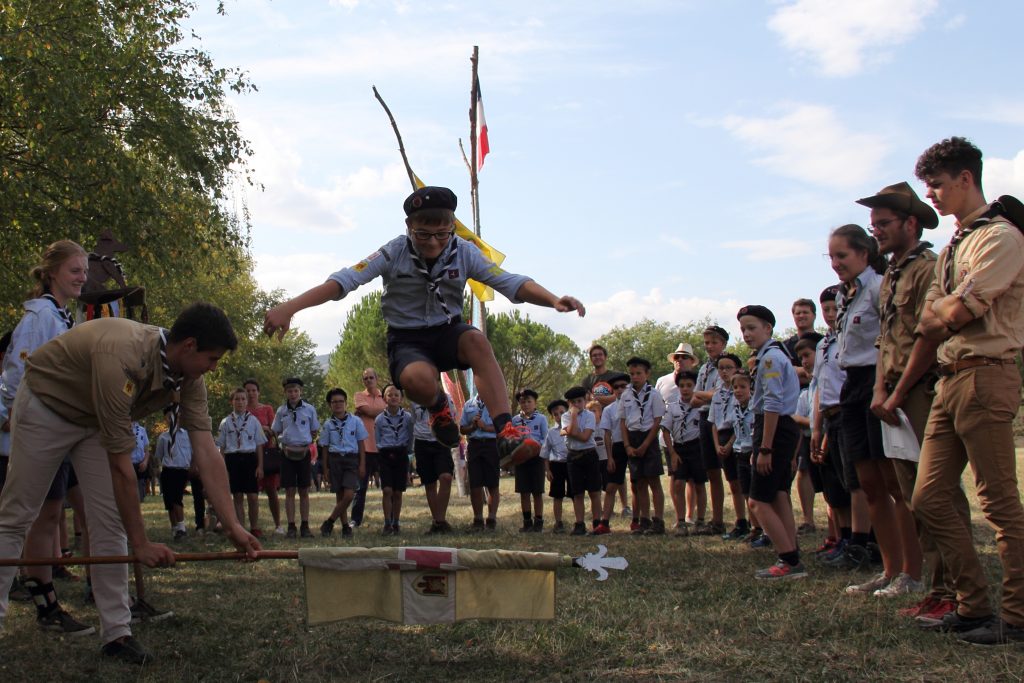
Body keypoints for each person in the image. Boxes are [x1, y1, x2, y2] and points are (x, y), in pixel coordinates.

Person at [0, 302, 261, 664]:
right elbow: (123, 467)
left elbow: (206, 450)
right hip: (48, 405)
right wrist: (141, 544)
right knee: (17, 513)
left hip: (93, 419)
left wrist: (232, 526)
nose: (213, 368)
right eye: (212, 358)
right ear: (189, 346)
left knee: (108, 523)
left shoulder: (190, 380)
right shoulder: (122, 355)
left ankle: (117, 635)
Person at [263, 186, 585, 471]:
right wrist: (290, 307)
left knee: (477, 341)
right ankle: (437, 406)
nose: (433, 243)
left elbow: (510, 282)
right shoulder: (394, 251)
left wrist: (553, 300)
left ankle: (506, 434)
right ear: (409, 227)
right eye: (423, 234)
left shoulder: (464, 251)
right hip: (408, 339)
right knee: (416, 380)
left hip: (448, 331)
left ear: (452, 228)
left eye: (442, 234)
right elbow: (343, 281)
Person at [911, 137, 1024, 645]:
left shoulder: (1000, 238)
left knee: (998, 504)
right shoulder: (954, 246)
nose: (931, 194)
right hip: (950, 379)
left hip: (987, 372)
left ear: (966, 179)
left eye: (936, 184)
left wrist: (946, 308)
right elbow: (928, 318)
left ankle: (1018, 617)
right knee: (929, 497)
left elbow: (952, 314)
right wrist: (945, 308)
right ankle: (974, 605)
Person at [859, 180, 970, 606]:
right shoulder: (892, 275)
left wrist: (898, 391)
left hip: (921, 391)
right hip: (894, 398)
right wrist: (880, 389)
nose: (877, 233)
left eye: (883, 223)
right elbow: (886, 339)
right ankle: (937, 587)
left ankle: (957, 588)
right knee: (910, 495)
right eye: (873, 226)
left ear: (910, 223)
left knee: (937, 494)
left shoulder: (928, 267)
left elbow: (928, 336)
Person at [0, 239, 93, 636]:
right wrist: (12, 418)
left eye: (84, 272)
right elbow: (17, 375)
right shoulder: (38, 318)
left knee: (50, 514)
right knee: (18, 517)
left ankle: (45, 601)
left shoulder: (63, 316)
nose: (82, 278)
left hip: (59, 428)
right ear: (53, 272)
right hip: (35, 429)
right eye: (75, 270)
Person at [828, 224, 922, 597]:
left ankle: (911, 572)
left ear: (864, 254)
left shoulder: (880, 287)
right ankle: (888, 569)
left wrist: (887, 390)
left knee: (894, 481)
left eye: (842, 255)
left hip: (876, 381)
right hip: (851, 387)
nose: (836, 264)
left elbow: (894, 340)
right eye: (831, 257)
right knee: (868, 485)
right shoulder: (844, 294)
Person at [737, 305, 803, 580]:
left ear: (768, 328)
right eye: (743, 329)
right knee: (777, 495)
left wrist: (764, 447)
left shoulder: (769, 360)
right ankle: (793, 553)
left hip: (774, 427)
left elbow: (773, 402)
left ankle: (787, 560)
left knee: (757, 501)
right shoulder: (770, 356)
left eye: (752, 327)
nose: (747, 334)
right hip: (779, 426)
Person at [620, 356, 666, 535]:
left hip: (649, 438)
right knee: (639, 482)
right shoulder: (626, 395)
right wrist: (627, 446)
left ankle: (659, 520)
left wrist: (646, 444)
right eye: (632, 374)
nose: (635, 377)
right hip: (632, 438)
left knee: (654, 480)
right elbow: (622, 422)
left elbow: (657, 420)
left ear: (647, 374)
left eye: (639, 373)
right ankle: (644, 520)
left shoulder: (654, 394)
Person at [692, 325, 729, 536]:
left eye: (714, 342)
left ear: (723, 343)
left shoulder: (726, 365)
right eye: (707, 343)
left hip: (723, 419)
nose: (710, 346)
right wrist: (707, 394)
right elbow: (695, 398)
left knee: (732, 474)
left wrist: (705, 395)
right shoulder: (705, 368)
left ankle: (745, 520)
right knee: (712, 472)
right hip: (704, 418)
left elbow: (721, 392)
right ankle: (717, 520)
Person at [215, 387, 267, 537]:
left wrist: (260, 466)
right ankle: (241, 528)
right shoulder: (225, 422)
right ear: (232, 401)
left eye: (243, 399)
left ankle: (255, 526)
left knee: (253, 496)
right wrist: (223, 468)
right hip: (233, 459)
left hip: (249, 459)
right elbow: (222, 447)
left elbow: (259, 445)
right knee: (237, 496)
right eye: (237, 399)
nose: (240, 402)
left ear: (247, 401)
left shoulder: (253, 421)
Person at [272, 377, 320, 539]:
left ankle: (305, 525)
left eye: (296, 391)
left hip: (303, 452)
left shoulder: (309, 409)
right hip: (286, 454)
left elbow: (314, 431)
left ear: (300, 391)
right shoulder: (281, 411)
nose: (293, 394)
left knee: (304, 489)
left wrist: (306, 445)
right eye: (289, 391)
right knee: (290, 490)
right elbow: (276, 431)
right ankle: (291, 526)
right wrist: (283, 445)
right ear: (285, 392)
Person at [708, 353, 748, 540]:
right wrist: (717, 445)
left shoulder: (741, 392)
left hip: (738, 436)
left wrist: (731, 443)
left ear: (737, 369)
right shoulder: (717, 394)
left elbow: (741, 419)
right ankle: (740, 521)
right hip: (721, 438)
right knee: (732, 482)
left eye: (728, 367)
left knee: (743, 483)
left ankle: (753, 523)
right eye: (721, 368)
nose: (724, 372)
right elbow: (714, 422)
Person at [318, 388, 367, 538]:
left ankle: (330, 521)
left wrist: (362, 464)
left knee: (349, 494)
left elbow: (361, 444)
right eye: (334, 402)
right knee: (340, 496)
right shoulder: (327, 424)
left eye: (341, 401)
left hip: (351, 459)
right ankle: (345, 527)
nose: (338, 404)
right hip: (335, 460)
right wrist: (325, 467)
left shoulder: (356, 421)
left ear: (346, 403)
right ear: (329, 405)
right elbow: (325, 447)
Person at [661, 371, 705, 537]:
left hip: (696, 447)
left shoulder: (700, 406)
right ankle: (680, 521)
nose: (685, 389)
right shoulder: (672, 407)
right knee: (678, 483)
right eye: (682, 386)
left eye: (689, 386)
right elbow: (665, 430)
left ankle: (700, 521)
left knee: (699, 484)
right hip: (679, 448)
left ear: (695, 386)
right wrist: (672, 453)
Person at [792, 333, 824, 535]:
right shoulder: (808, 389)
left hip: (825, 438)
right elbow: (795, 416)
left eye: (807, 355)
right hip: (810, 439)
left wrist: (814, 425)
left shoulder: (823, 383)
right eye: (801, 358)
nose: (804, 361)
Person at [244, 379, 284, 535]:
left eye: (254, 390)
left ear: (258, 392)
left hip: (267, 454)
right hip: (248, 455)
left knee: (271, 490)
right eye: (248, 390)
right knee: (251, 493)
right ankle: (254, 526)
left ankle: (278, 525)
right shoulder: (242, 410)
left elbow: (274, 430)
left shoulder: (267, 409)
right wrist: (261, 428)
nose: (251, 393)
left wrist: (266, 429)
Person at [561, 386, 603, 536]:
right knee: (577, 493)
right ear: (569, 403)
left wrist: (569, 431)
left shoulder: (590, 415)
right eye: (573, 402)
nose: (577, 405)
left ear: (585, 400)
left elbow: (585, 436)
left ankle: (597, 523)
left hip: (589, 455)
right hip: (573, 456)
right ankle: (579, 524)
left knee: (594, 491)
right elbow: (572, 431)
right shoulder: (565, 416)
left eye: (579, 401)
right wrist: (573, 417)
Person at [412, 394, 456, 534]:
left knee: (446, 477)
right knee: (430, 483)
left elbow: (453, 417)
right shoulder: (414, 398)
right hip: (422, 442)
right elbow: (414, 420)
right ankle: (438, 522)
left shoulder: (445, 398)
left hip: (440, 441)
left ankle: (440, 519)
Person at [594, 372, 631, 535]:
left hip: (635, 444)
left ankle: (638, 520)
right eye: (616, 387)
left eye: (624, 386)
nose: (620, 389)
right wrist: (609, 457)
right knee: (611, 487)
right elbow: (607, 434)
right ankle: (604, 523)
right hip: (617, 447)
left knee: (638, 484)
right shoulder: (609, 410)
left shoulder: (635, 405)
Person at [374, 384, 413, 535]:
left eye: (396, 394)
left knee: (398, 492)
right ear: (384, 398)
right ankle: (387, 523)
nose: (393, 397)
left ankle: (396, 522)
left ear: (401, 398)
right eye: (389, 395)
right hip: (385, 454)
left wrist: (408, 453)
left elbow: (410, 437)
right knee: (387, 490)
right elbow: (378, 439)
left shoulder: (408, 418)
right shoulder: (379, 420)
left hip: (401, 454)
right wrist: (382, 451)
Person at [726, 371, 757, 544]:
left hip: (752, 452)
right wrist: (729, 445)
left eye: (742, 387)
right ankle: (754, 527)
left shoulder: (755, 407)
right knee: (746, 492)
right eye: (735, 387)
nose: (738, 391)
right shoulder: (735, 407)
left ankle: (762, 528)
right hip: (740, 454)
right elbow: (735, 432)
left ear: (750, 388)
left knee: (756, 494)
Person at [460, 394, 500, 531]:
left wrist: (485, 427)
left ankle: (491, 519)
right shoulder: (468, 404)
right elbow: (462, 428)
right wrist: (472, 426)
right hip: (475, 445)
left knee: (492, 484)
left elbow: (503, 427)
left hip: (491, 445)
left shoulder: (496, 402)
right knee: (475, 485)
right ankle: (478, 520)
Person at [351, 368, 385, 528]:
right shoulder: (359, 396)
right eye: (365, 378)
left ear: (377, 379)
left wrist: (372, 412)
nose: (368, 380)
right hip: (363, 448)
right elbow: (370, 412)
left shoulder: (385, 396)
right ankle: (355, 520)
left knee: (388, 487)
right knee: (360, 487)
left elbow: (371, 412)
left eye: (371, 377)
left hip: (384, 447)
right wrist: (387, 409)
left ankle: (390, 520)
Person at [512, 389, 548, 532]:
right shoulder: (515, 420)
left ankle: (538, 521)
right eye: (522, 402)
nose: (526, 404)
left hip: (536, 458)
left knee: (537, 491)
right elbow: (512, 439)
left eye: (529, 401)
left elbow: (545, 438)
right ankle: (527, 522)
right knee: (524, 491)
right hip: (521, 460)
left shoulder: (541, 419)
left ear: (535, 403)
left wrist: (538, 449)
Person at [156, 423, 194, 539]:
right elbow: (159, 455)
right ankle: (174, 527)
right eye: (169, 416)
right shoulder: (163, 437)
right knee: (169, 500)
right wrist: (158, 470)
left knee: (177, 498)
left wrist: (193, 467)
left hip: (181, 470)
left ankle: (181, 528)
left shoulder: (187, 435)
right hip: (168, 470)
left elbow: (193, 453)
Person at [541, 399, 571, 533]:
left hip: (572, 463)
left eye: (562, 412)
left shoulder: (574, 428)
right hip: (557, 465)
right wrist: (547, 470)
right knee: (557, 495)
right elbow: (545, 452)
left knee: (575, 494)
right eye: (556, 414)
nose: (559, 416)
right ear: (552, 416)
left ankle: (579, 521)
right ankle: (558, 522)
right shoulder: (551, 432)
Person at [784, 299, 818, 373]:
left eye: (805, 312)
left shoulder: (824, 342)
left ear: (814, 316)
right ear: (793, 316)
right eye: (798, 313)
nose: (801, 315)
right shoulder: (784, 347)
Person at [130, 422, 150, 502]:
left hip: (140, 464)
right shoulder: (123, 428)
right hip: (129, 464)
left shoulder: (142, 430)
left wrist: (145, 462)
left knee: (140, 496)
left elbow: (147, 450)